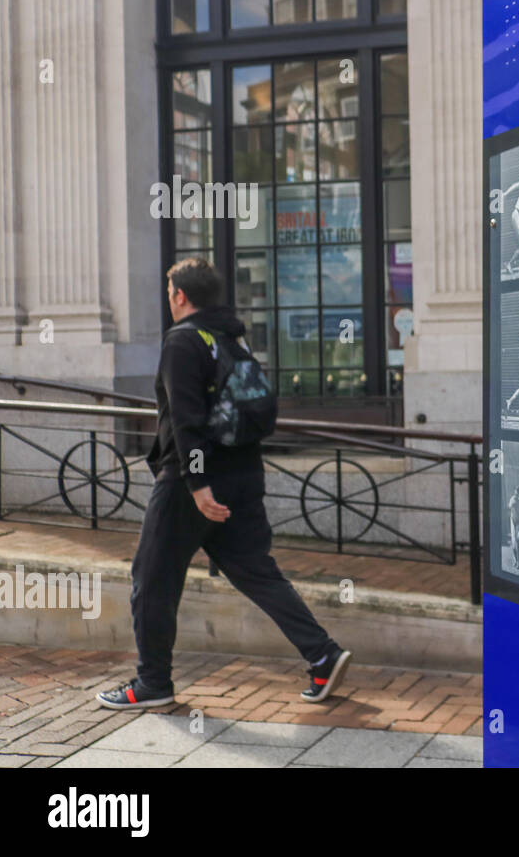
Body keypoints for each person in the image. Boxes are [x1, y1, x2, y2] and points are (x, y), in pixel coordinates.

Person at [97, 257, 349, 710]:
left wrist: (196, 483)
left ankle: (152, 683)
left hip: (192, 485)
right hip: (244, 474)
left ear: (179, 296)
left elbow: (187, 422)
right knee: (256, 572)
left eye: (170, 291)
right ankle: (323, 654)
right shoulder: (231, 340)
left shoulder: (182, 341)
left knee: (151, 578)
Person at [508, 486, 519, 568]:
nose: (517, 493)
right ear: (514, 492)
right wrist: (515, 501)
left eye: (518, 491)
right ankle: (515, 559)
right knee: (513, 543)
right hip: (512, 521)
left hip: (518, 522)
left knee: (518, 541)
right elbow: (510, 506)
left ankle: (518, 562)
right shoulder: (512, 499)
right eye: (516, 491)